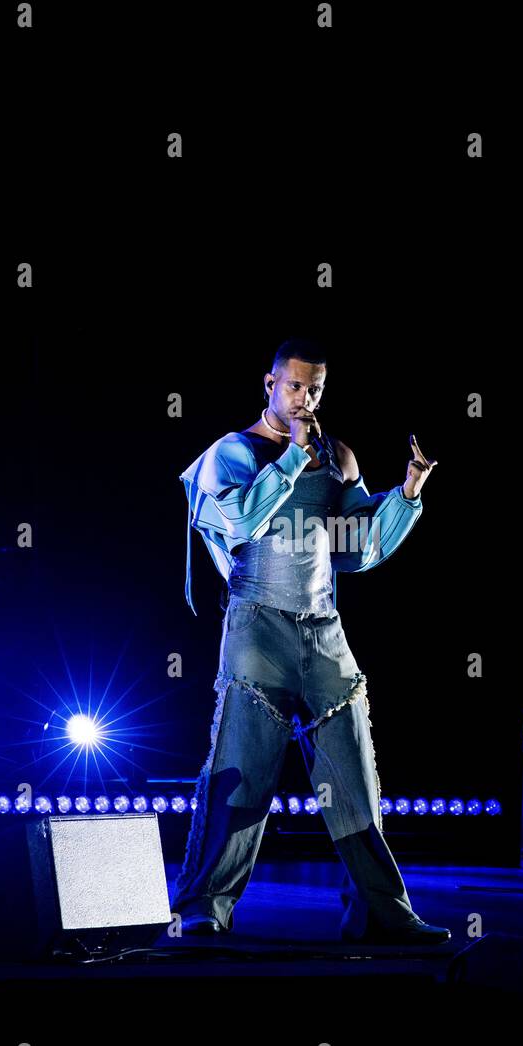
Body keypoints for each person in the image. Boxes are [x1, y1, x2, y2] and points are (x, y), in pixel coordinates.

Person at [168, 338, 451, 945]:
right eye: (294, 386)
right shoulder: (233, 452)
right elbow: (241, 523)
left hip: (323, 628)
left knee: (354, 775)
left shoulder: (337, 455)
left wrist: (406, 494)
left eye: (315, 388)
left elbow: (356, 550)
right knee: (242, 772)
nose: (305, 399)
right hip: (256, 624)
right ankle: (204, 905)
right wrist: (294, 459)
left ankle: (382, 910)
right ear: (268, 384)